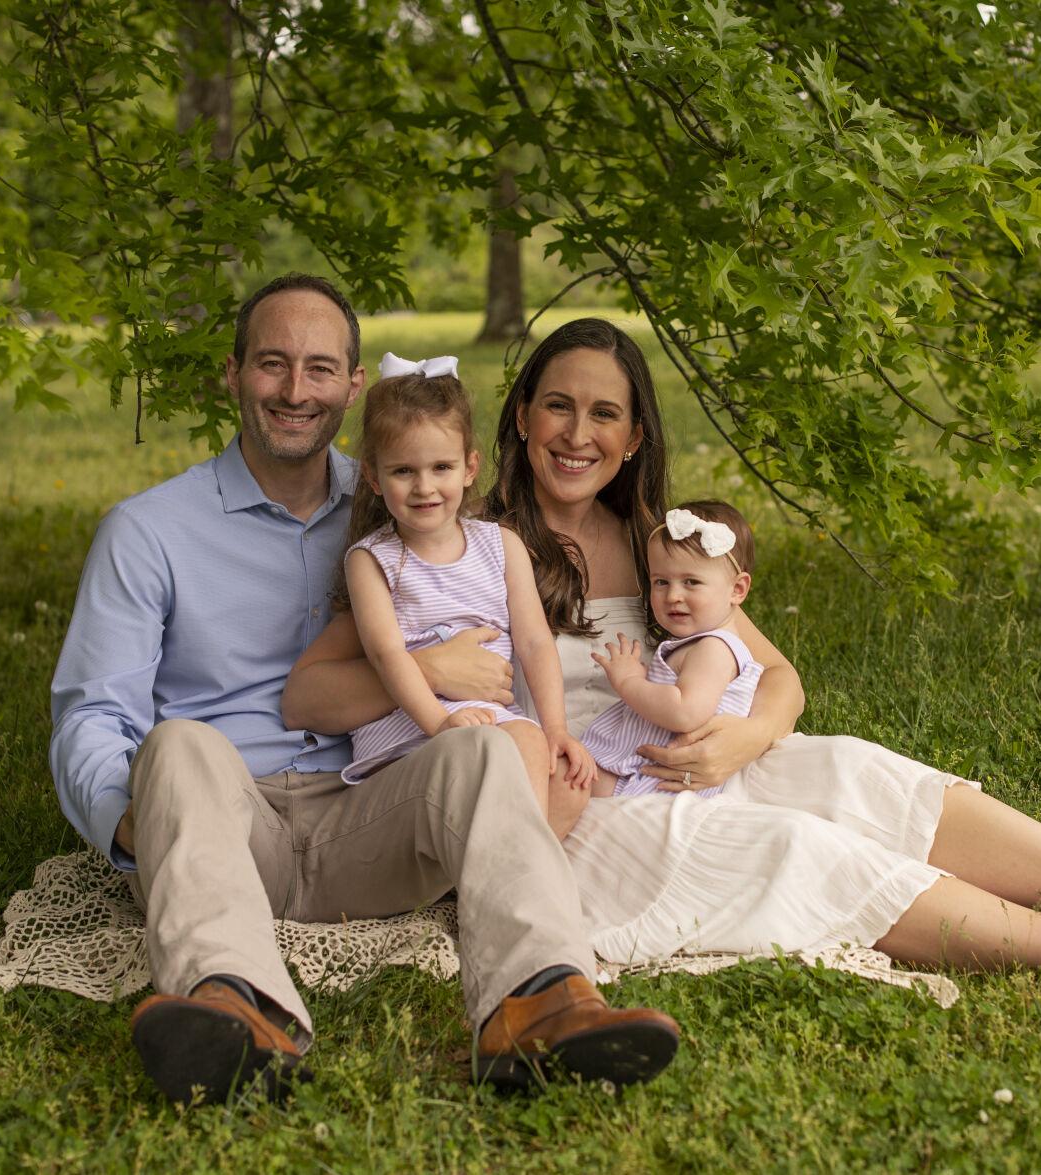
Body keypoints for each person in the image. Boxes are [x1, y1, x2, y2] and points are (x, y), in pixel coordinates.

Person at [285, 316, 1041, 1003]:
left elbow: (777, 674)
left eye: (603, 414)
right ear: (515, 419)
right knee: (798, 850)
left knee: (853, 766)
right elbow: (312, 690)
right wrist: (443, 671)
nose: (577, 432)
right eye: (556, 406)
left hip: (682, 744)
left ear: (635, 438)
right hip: (573, 796)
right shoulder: (459, 540)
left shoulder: (658, 538)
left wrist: (745, 738)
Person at [49, 277, 679, 1105]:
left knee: (485, 747)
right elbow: (91, 715)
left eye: (319, 368)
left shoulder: (403, 497)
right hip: (221, 821)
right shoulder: (149, 531)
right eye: (272, 364)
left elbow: (513, 594)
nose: (295, 389)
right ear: (232, 374)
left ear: (354, 387)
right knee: (177, 744)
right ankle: (236, 1006)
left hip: (371, 815)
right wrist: (140, 824)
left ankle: (538, 998)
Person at [338, 353, 595, 817]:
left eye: (441, 467)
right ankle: (520, 868)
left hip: (490, 721)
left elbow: (535, 643)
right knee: (520, 743)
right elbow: (387, 656)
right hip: (410, 731)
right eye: (403, 471)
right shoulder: (372, 561)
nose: (424, 487)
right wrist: (440, 723)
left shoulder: (500, 545)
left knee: (568, 781)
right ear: (374, 477)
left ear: (470, 467)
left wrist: (557, 728)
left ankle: (494, 866)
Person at [584, 500, 762, 799]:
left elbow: (685, 712)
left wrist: (630, 682)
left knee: (574, 784)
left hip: (660, 784)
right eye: (661, 582)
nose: (673, 596)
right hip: (650, 772)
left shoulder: (714, 648)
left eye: (691, 582)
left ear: (737, 589)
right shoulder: (699, 643)